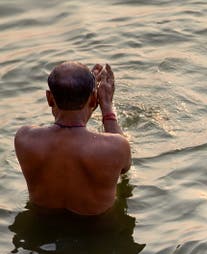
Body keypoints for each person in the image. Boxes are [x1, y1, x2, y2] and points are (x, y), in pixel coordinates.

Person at [14, 61, 131, 216]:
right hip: (97, 230)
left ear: (49, 98)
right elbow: (125, 169)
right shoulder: (116, 147)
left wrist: (87, 101)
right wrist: (107, 107)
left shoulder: (25, 139)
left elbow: (68, 131)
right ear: (93, 100)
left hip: (45, 223)